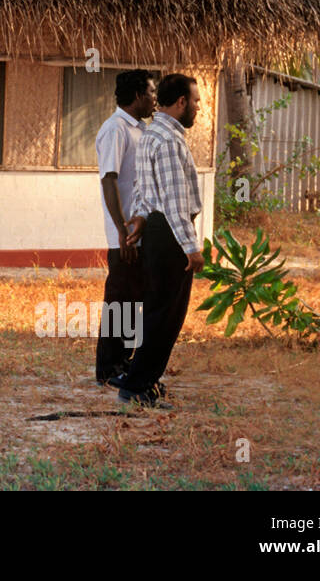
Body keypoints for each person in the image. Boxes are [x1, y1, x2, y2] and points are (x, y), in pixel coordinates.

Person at [118, 73, 203, 408]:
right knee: (166, 316)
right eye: (195, 101)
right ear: (180, 102)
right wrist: (191, 247)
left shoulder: (152, 134)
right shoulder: (168, 141)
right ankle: (137, 387)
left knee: (156, 312)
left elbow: (142, 188)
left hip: (156, 230)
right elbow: (173, 201)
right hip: (169, 235)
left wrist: (139, 216)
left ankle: (144, 380)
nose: (198, 108)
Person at [93, 69, 156, 386]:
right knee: (120, 300)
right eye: (151, 92)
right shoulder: (116, 129)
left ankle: (125, 363)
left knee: (133, 300)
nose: (154, 99)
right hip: (126, 235)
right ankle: (108, 369)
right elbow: (109, 179)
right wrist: (121, 230)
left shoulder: (141, 130)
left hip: (139, 232)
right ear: (137, 95)